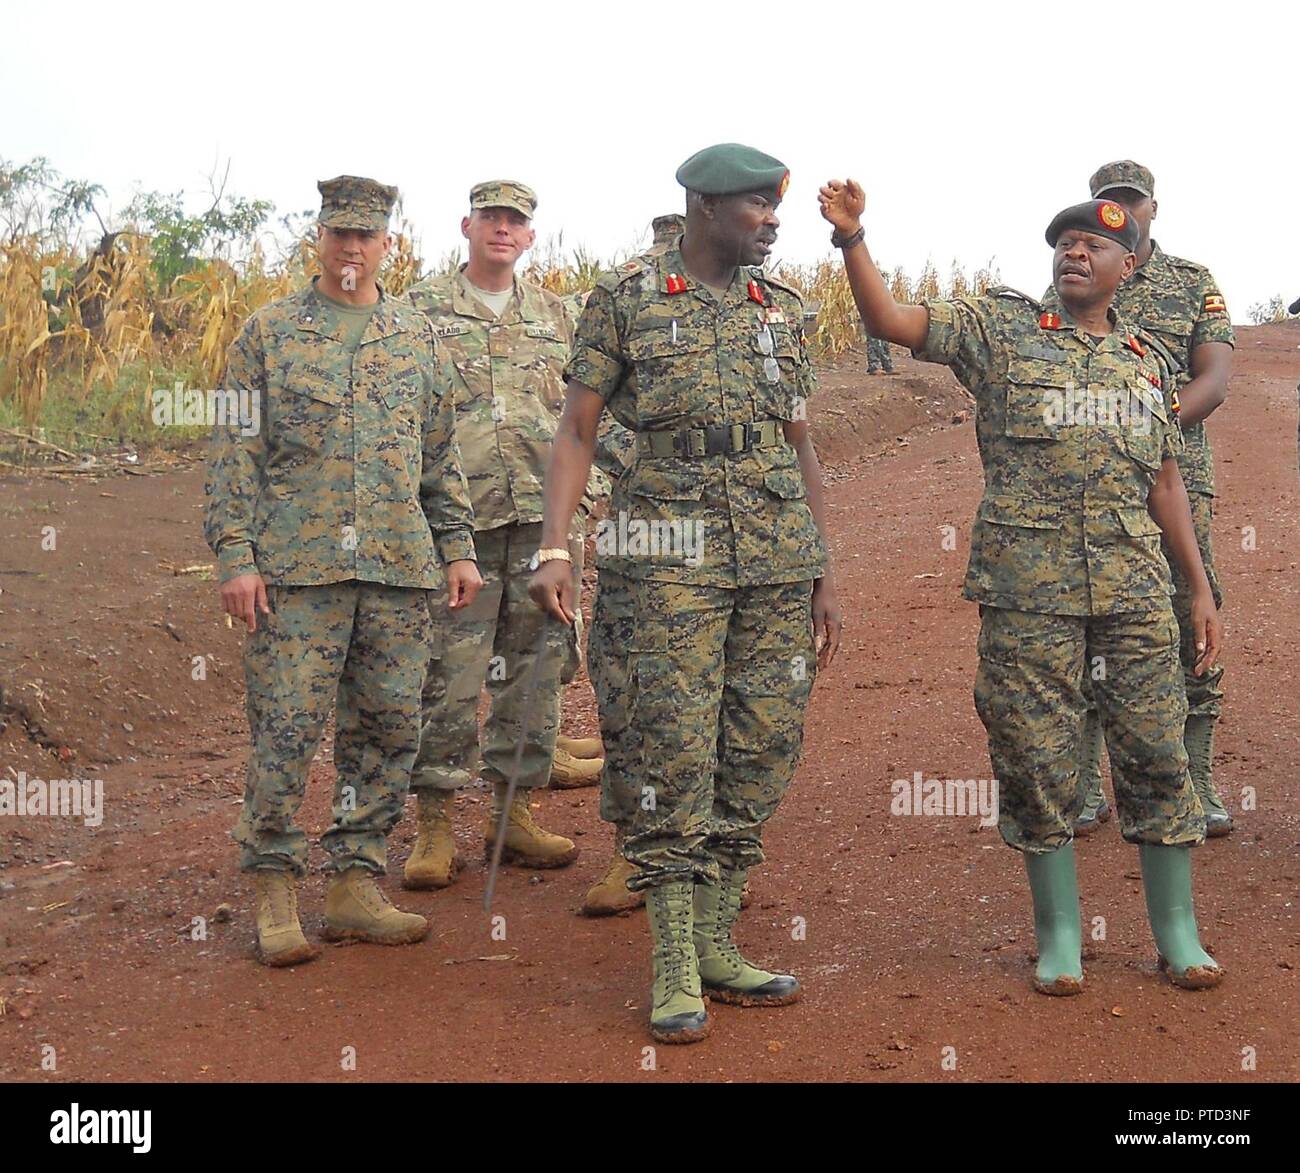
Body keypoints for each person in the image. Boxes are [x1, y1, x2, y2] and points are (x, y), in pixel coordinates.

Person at [819, 177, 1225, 994]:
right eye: (1065, 243)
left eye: (1095, 245)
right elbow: (891, 321)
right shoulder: (1000, 330)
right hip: (1028, 593)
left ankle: (1177, 932)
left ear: (1129, 265)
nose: (1075, 252)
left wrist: (1199, 587)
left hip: (1135, 593)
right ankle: (1060, 937)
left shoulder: (1145, 362)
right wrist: (853, 239)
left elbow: (1166, 481)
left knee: (1156, 752)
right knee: (1035, 754)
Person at [531, 144, 843, 1043]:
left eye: (776, 208)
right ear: (706, 207)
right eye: (758, 207)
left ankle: (715, 938)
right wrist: (554, 545)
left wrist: (825, 566)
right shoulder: (627, 297)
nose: (773, 223)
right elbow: (577, 429)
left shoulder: (781, 307)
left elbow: (801, 440)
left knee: (760, 741)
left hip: (775, 554)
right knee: (669, 748)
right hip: (665, 553)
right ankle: (672, 959)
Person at [205, 175, 482, 966]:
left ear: (389, 244)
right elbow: (233, 452)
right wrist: (235, 556)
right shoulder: (268, 333)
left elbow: (440, 456)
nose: (352, 246)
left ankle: (355, 881)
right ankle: (274, 888)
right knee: (287, 729)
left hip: (396, 567)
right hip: (298, 571)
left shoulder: (417, 337)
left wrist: (458, 546)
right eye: (339, 233)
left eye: (366, 234)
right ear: (320, 239)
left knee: (388, 728)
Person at [402, 180, 602, 889]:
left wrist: (588, 502)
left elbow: (593, 414)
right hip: (458, 528)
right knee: (449, 677)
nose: (502, 229)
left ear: (529, 237)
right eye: (490, 217)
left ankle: (514, 815)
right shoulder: (418, 312)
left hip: (544, 528)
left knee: (537, 672)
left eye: (515, 221)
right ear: (467, 226)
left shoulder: (558, 315)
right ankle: (433, 826)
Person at [1056, 162, 1236, 836]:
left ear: (1152, 208)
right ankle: (1082, 782)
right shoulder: (1077, 272)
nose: (1121, 211)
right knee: (1086, 612)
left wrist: (1145, 423)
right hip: (1089, 481)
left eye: (1131, 202)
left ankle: (1195, 778)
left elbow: (1213, 379)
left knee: (1190, 609)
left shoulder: (1191, 281)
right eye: (1108, 202)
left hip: (1175, 473)